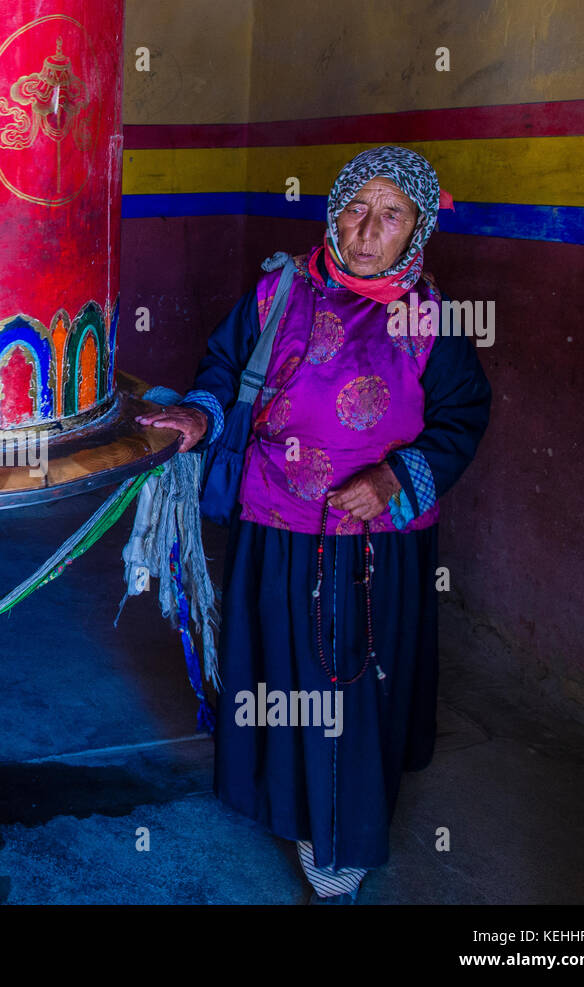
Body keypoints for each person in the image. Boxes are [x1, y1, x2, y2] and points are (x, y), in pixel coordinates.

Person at [137, 145, 491, 904]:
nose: (368, 231)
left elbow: (465, 414)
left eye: (391, 215)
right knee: (282, 671)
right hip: (277, 522)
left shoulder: (433, 318)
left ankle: (339, 840)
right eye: (356, 209)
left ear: (416, 231)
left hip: (374, 539)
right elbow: (224, 370)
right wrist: (200, 416)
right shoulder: (278, 292)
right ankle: (287, 803)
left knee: (350, 682)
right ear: (334, 214)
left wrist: (397, 476)